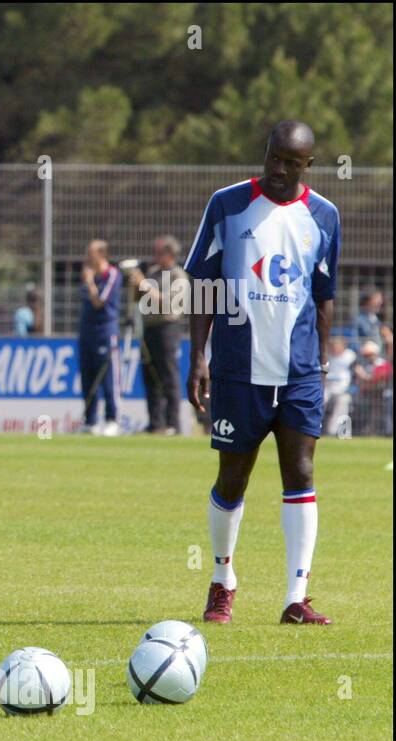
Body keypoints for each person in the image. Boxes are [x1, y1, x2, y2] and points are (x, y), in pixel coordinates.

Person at [187, 119, 339, 626]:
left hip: (298, 374)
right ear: (266, 152)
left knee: (300, 473)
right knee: (233, 479)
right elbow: (202, 284)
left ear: (308, 166)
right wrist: (198, 357)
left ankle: (296, 597)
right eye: (274, 157)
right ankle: (221, 579)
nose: (279, 169)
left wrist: (318, 362)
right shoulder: (227, 204)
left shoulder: (325, 216)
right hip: (237, 371)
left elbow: (323, 297)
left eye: (291, 163)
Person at [131, 235, 189, 435]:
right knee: (150, 375)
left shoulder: (177, 276)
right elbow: (139, 298)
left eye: (159, 252)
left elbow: (169, 303)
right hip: (149, 328)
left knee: (168, 375)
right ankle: (155, 423)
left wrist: (146, 286)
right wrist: (136, 284)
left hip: (167, 327)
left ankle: (173, 423)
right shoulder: (154, 272)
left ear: (170, 253)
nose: (155, 256)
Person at [78, 239, 123, 436]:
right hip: (87, 332)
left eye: (91, 254)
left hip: (105, 332)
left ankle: (112, 419)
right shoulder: (90, 276)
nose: (88, 258)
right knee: (88, 377)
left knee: (108, 378)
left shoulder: (111, 274)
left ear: (102, 255)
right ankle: (91, 421)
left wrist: (89, 282)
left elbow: (99, 302)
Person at [322, 335, 356, 436]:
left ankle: (332, 431)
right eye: (332, 345)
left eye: (337, 345)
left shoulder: (351, 356)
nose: (334, 348)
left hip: (344, 390)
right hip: (327, 388)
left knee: (343, 401)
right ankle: (314, 427)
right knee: (319, 400)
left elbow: (356, 372)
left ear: (343, 346)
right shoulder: (326, 356)